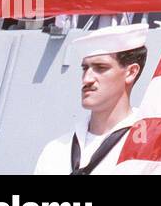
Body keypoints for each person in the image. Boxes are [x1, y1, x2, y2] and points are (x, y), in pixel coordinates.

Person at [34, 24, 148, 175]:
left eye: (100, 68)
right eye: (85, 68)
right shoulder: (56, 151)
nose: (87, 79)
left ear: (131, 73)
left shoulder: (149, 151)